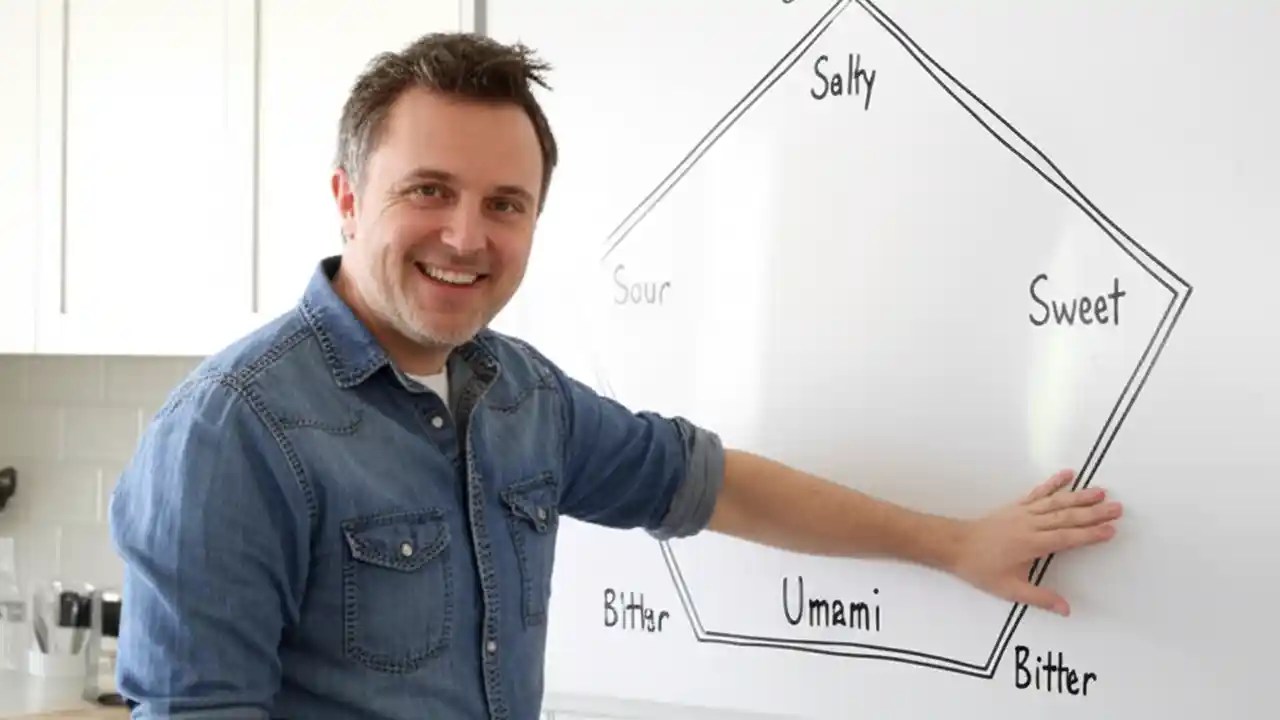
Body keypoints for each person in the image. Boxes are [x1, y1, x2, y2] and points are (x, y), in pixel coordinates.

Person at [108, 31, 1122, 720]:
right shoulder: (232, 432)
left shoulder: (521, 397)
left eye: (505, 204)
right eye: (428, 190)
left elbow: (713, 486)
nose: (465, 236)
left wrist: (955, 544)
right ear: (346, 197)